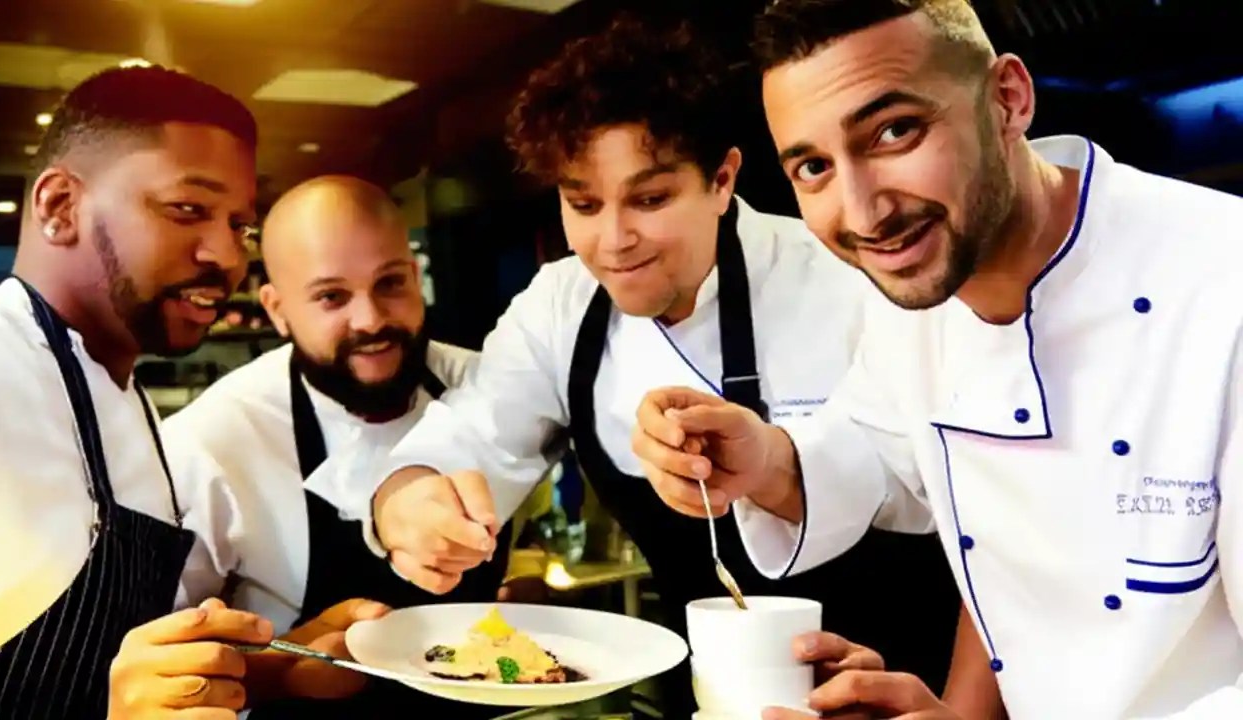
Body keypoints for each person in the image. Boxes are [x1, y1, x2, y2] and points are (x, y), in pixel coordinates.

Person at [307, 16, 960, 716]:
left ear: (721, 179)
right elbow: (469, 434)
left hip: (903, 683)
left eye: (650, 200)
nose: (613, 242)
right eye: (583, 203)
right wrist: (410, 500)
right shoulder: (563, 306)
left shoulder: (843, 275)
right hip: (710, 695)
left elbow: (946, 488)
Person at [630, 1, 1243, 718]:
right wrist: (759, 460)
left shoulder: (1221, 285)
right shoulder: (912, 304)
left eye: (895, 132)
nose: (863, 214)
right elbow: (881, 453)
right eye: (814, 167)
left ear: (1008, 100)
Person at [0, 65, 381, 720]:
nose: (228, 256)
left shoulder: (126, 401)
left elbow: (128, 668)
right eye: (187, 210)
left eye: (240, 225)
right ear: (59, 207)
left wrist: (279, 667)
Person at [160, 174, 525, 718]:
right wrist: (281, 674)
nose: (371, 319)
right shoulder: (213, 439)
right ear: (278, 309)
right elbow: (170, 662)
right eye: (331, 296)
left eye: (390, 284)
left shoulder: (486, 390)